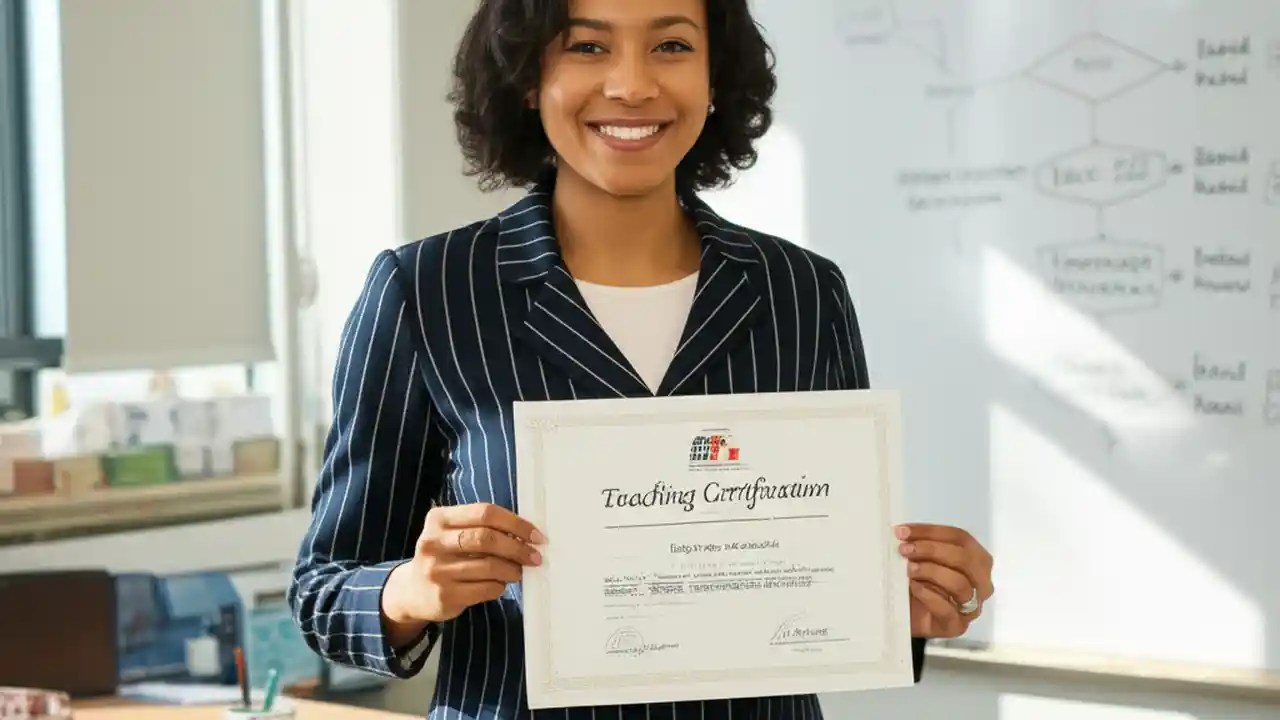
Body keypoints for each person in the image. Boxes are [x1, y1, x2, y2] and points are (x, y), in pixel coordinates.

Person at [287, 0, 995, 717]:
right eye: (588, 48)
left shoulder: (802, 291)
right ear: (528, 77)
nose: (631, 85)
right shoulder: (427, 291)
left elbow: (828, 576)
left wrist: (904, 603)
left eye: (672, 47)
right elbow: (322, 589)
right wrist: (410, 591)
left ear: (716, 76)